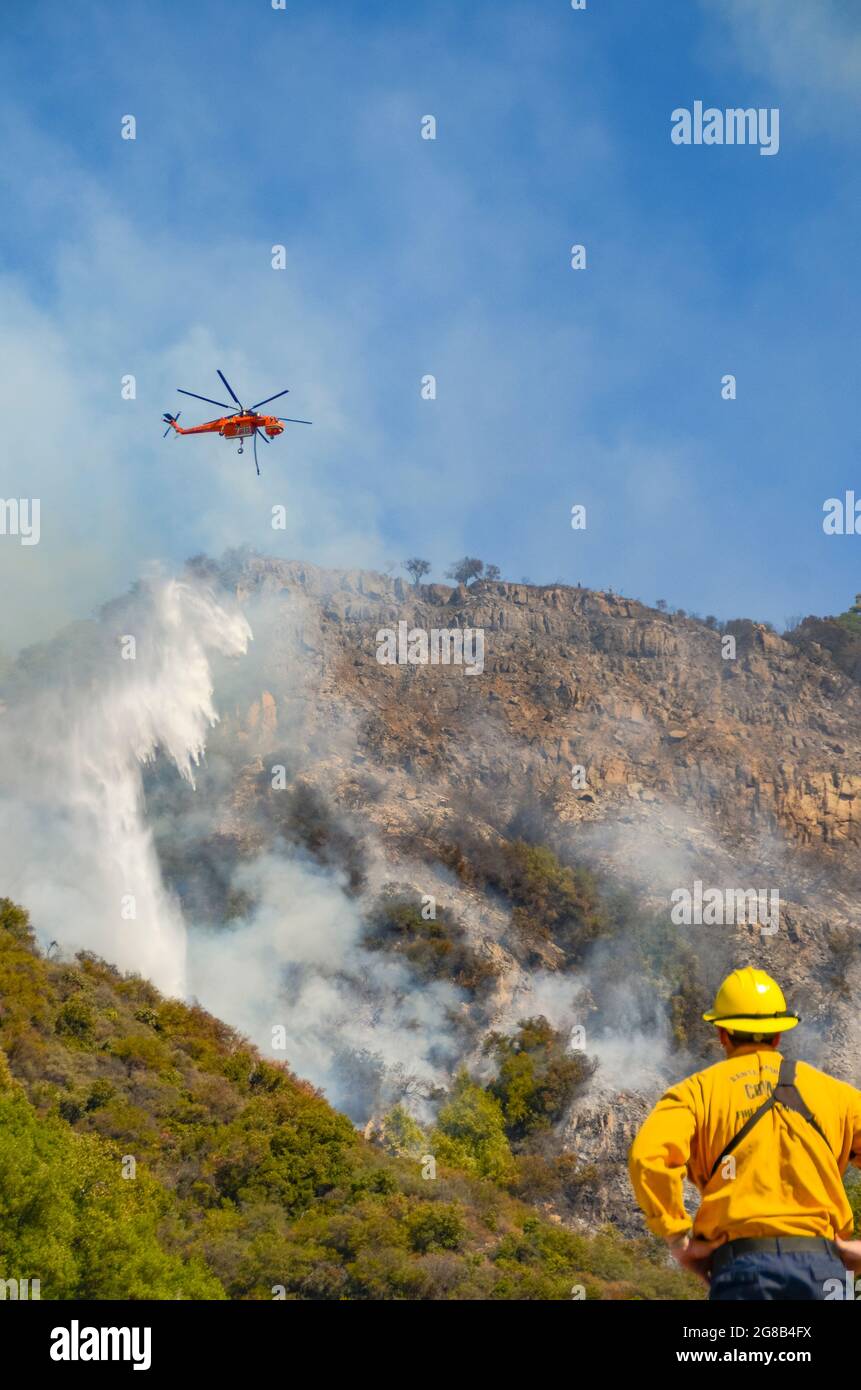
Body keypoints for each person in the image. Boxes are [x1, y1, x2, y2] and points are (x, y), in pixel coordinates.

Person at [628, 966, 861, 1299]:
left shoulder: (695, 1094)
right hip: (825, 1270)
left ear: (722, 1033)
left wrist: (677, 1238)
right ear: (779, 1035)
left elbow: (648, 1156)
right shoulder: (838, 1096)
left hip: (743, 1269)